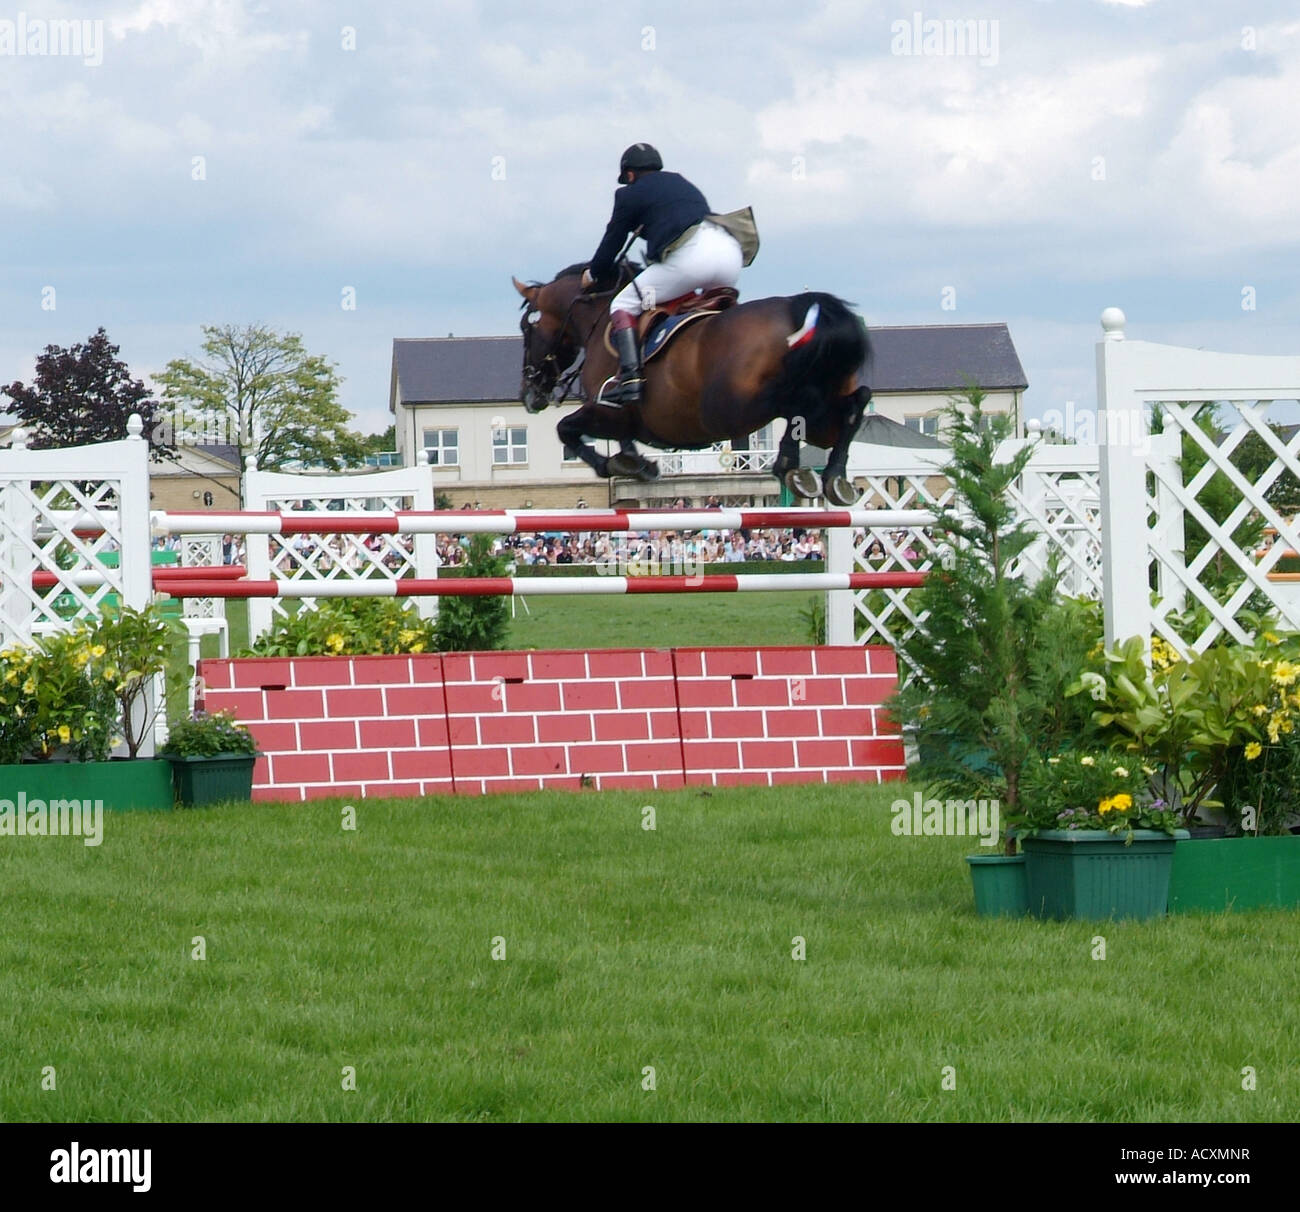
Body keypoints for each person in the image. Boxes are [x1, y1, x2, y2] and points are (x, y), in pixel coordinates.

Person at [581, 143, 745, 405]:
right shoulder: (680, 183)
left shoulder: (627, 195)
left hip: (694, 258)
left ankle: (631, 380)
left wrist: (593, 273)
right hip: (730, 252)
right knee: (696, 304)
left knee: (622, 303)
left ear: (630, 175)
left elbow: (613, 240)